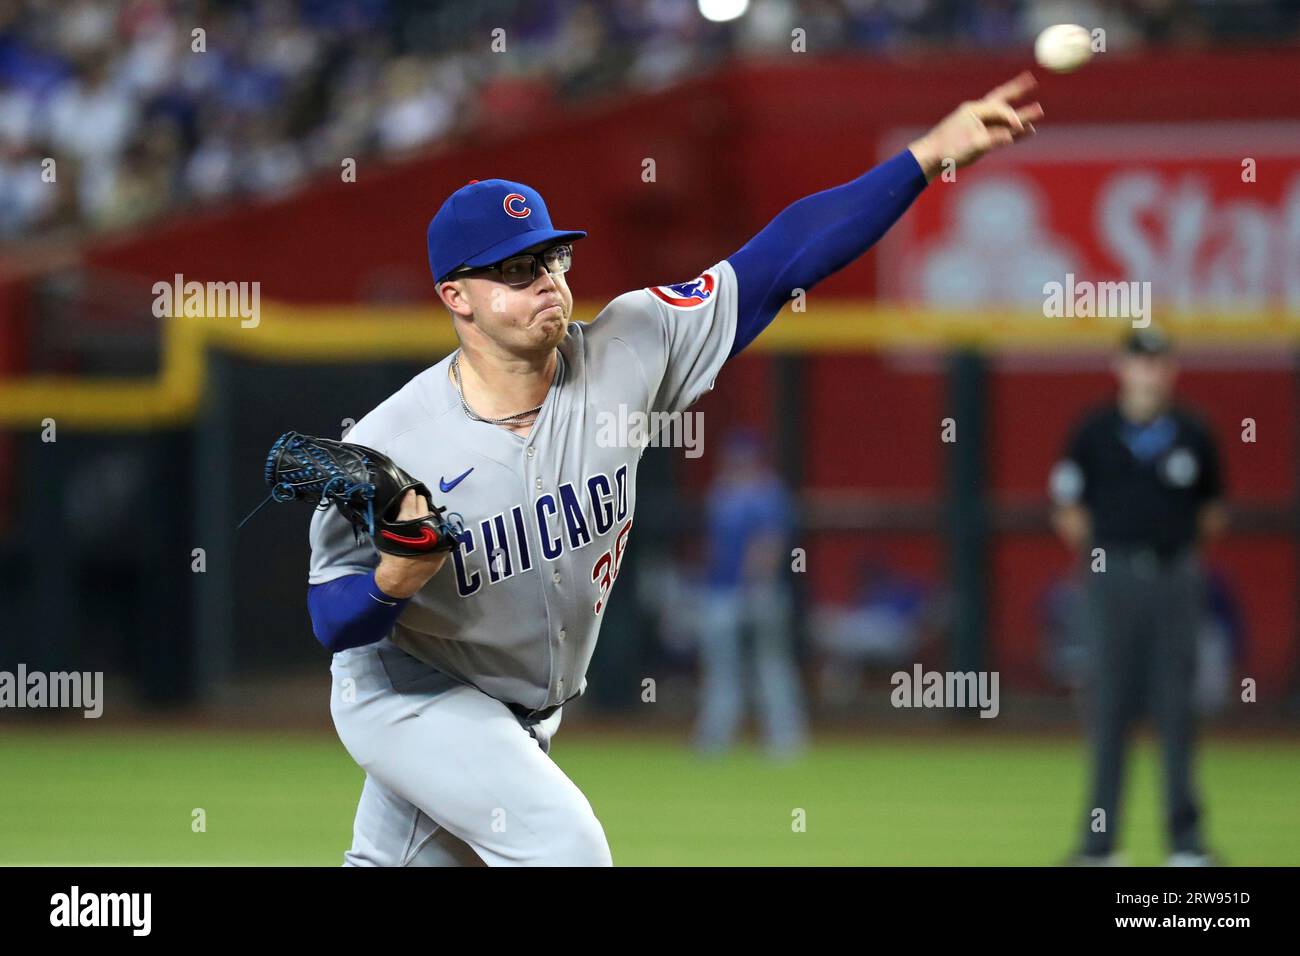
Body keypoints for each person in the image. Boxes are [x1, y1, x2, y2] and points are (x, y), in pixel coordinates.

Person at [305, 73, 1043, 866]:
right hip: (408, 694)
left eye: (550, 259)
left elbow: (780, 260)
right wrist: (389, 579)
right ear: (457, 297)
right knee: (566, 848)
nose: (546, 283)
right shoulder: (394, 445)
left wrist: (927, 155)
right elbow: (331, 620)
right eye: (515, 273)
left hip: (518, 711)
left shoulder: (630, 346)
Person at [1050, 328, 1227, 867]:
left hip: (1174, 578)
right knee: (1108, 708)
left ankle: (1186, 844)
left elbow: (1211, 513)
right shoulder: (1095, 431)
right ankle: (1099, 845)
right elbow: (1068, 508)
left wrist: (1170, 553)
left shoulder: (1194, 432)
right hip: (1113, 577)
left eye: (1157, 362)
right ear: (1120, 366)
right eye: (1139, 361)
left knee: (1177, 707)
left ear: (1170, 368)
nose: (1148, 371)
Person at [694, 430, 806, 757]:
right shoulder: (721, 492)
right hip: (721, 591)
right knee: (721, 669)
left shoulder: (767, 492)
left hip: (759, 591)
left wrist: (758, 584)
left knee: (770, 665)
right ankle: (715, 737)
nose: (735, 465)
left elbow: (769, 544)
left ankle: (786, 739)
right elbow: (714, 548)